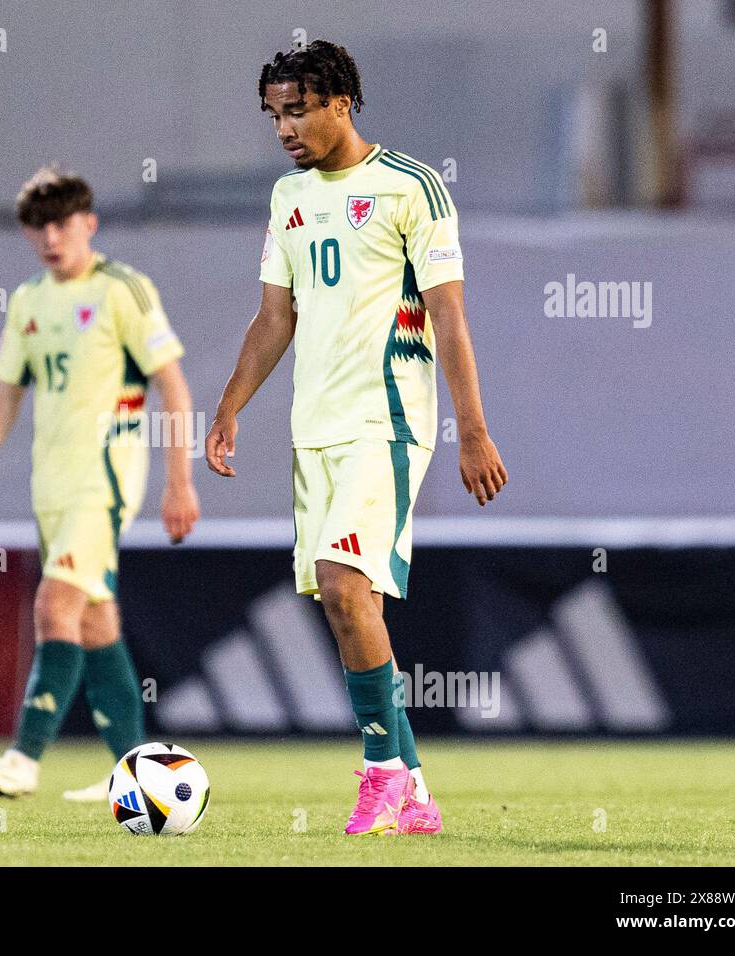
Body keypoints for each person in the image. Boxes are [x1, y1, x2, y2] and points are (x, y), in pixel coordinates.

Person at [205, 41, 508, 835]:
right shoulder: (289, 197)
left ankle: (380, 775)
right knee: (351, 607)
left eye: (297, 110)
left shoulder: (411, 187)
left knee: (343, 585)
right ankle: (414, 790)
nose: (284, 128)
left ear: (341, 103)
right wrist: (230, 404)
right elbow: (275, 317)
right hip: (315, 433)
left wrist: (472, 430)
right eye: (274, 115)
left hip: (388, 423)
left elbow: (449, 316)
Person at [0, 166, 200, 800]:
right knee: (94, 623)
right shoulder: (29, 300)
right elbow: (5, 395)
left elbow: (172, 386)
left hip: (103, 481)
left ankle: (23, 759)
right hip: (52, 487)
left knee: (53, 605)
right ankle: (139, 773)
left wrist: (180, 482)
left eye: (61, 224)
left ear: (89, 223)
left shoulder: (123, 290)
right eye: (38, 227)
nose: (50, 238)